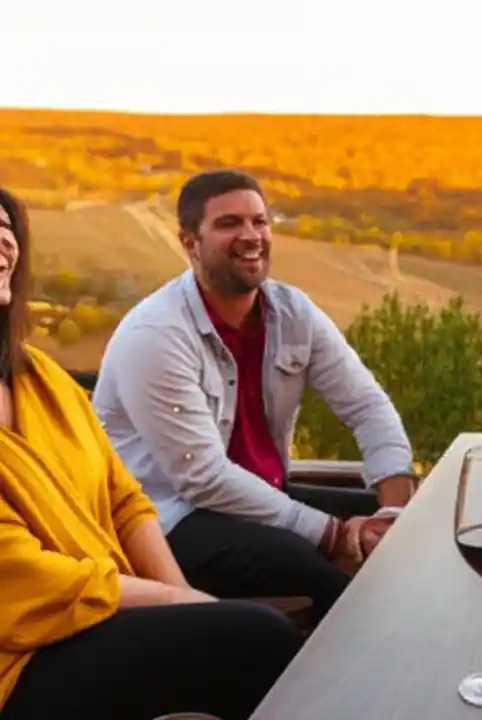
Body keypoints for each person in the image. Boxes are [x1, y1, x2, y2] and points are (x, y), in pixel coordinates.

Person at [0, 187, 303, 720]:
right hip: (19, 660)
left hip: (92, 616)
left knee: (240, 636)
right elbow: (24, 577)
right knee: (258, 638)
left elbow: (125, 501)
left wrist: (187, 598)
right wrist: (182, 606)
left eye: (6, 228)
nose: (3, 240)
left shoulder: (42, 380)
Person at [91, 169, 418, 623]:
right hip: (169, 523)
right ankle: (352, 684)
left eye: (259, 221)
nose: (251, 236)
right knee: (311, 567)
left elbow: (366, 406)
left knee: (413, 533)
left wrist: (393, 510)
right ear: (189, 243)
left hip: (261, 499)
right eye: (229, 224)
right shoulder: (156, 335)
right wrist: (333, 535)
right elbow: (203, 478)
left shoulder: (291, 312)